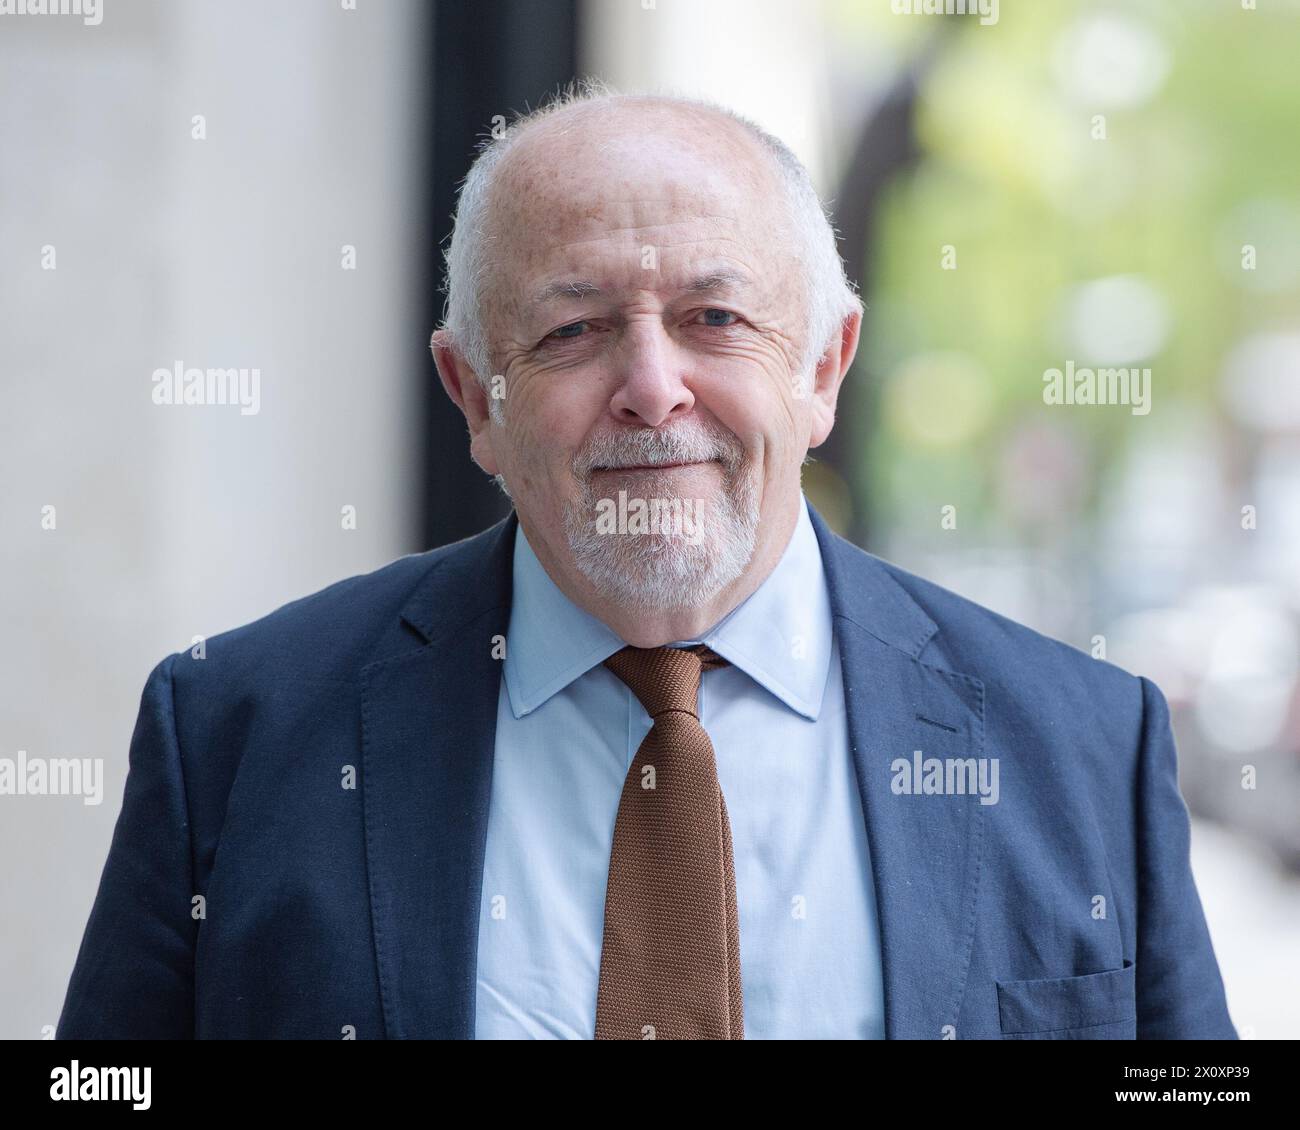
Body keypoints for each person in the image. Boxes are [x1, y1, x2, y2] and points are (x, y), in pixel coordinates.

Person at [57, 84, 1235, 1040]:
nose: (653, 387)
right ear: (475, 395)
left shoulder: (1081, 740)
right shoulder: (235, 730)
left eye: (716, 319)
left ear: (824, 367)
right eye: (571, 329)